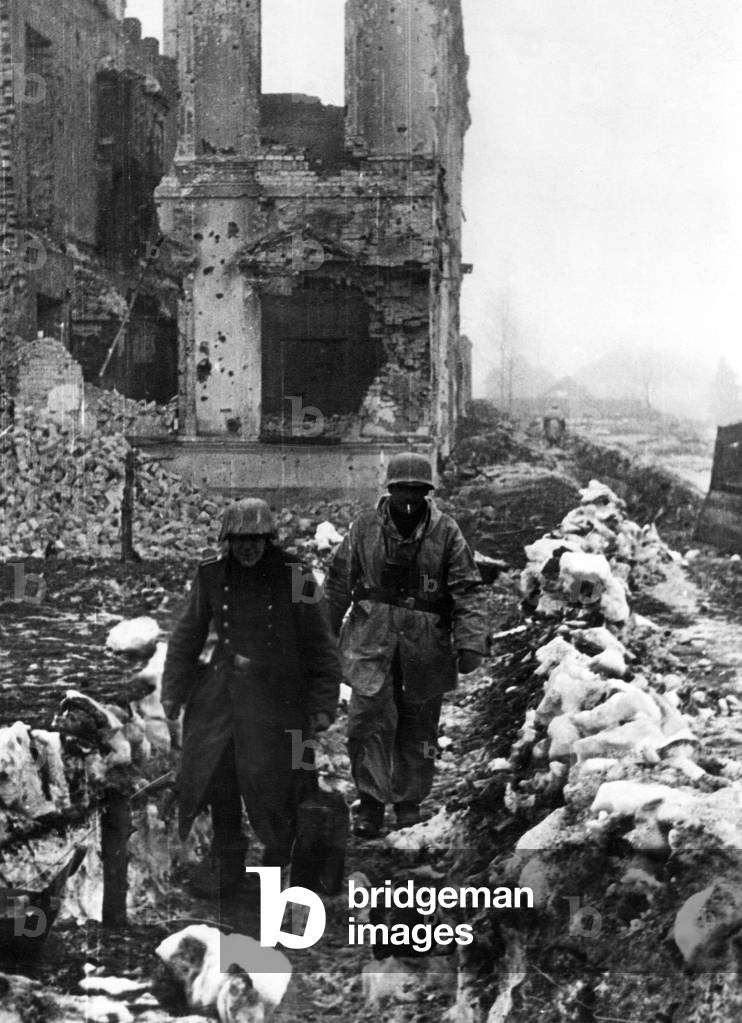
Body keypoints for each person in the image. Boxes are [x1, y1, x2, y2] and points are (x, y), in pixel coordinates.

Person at [161, 498, 342, 895]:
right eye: (239, 540)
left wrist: (323, 704)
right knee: (219, 775)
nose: (248, 548)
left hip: (282, 701)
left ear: (268, 540)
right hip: (222, 698)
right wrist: (173, 691)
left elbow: (320, 642)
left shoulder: (295, 574)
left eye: (256, 540)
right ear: (227, 541)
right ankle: (227, 865)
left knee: (286, 783)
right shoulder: (211, 574)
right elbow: (188, 633)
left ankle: (279, 864)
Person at [326, 453, 489, 838]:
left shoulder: (446, 532)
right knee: (367, 721)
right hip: (372, 639)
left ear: (428, 493)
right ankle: (369, 802)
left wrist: (471, 641)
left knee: (419, 726)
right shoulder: (363, 528)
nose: (409, 498)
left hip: (425, 643)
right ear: (390, 490)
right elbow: (337, 584)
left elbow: (467, 588)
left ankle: (408, 802)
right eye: (402, 490)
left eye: (417, 491)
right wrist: (321, 636)